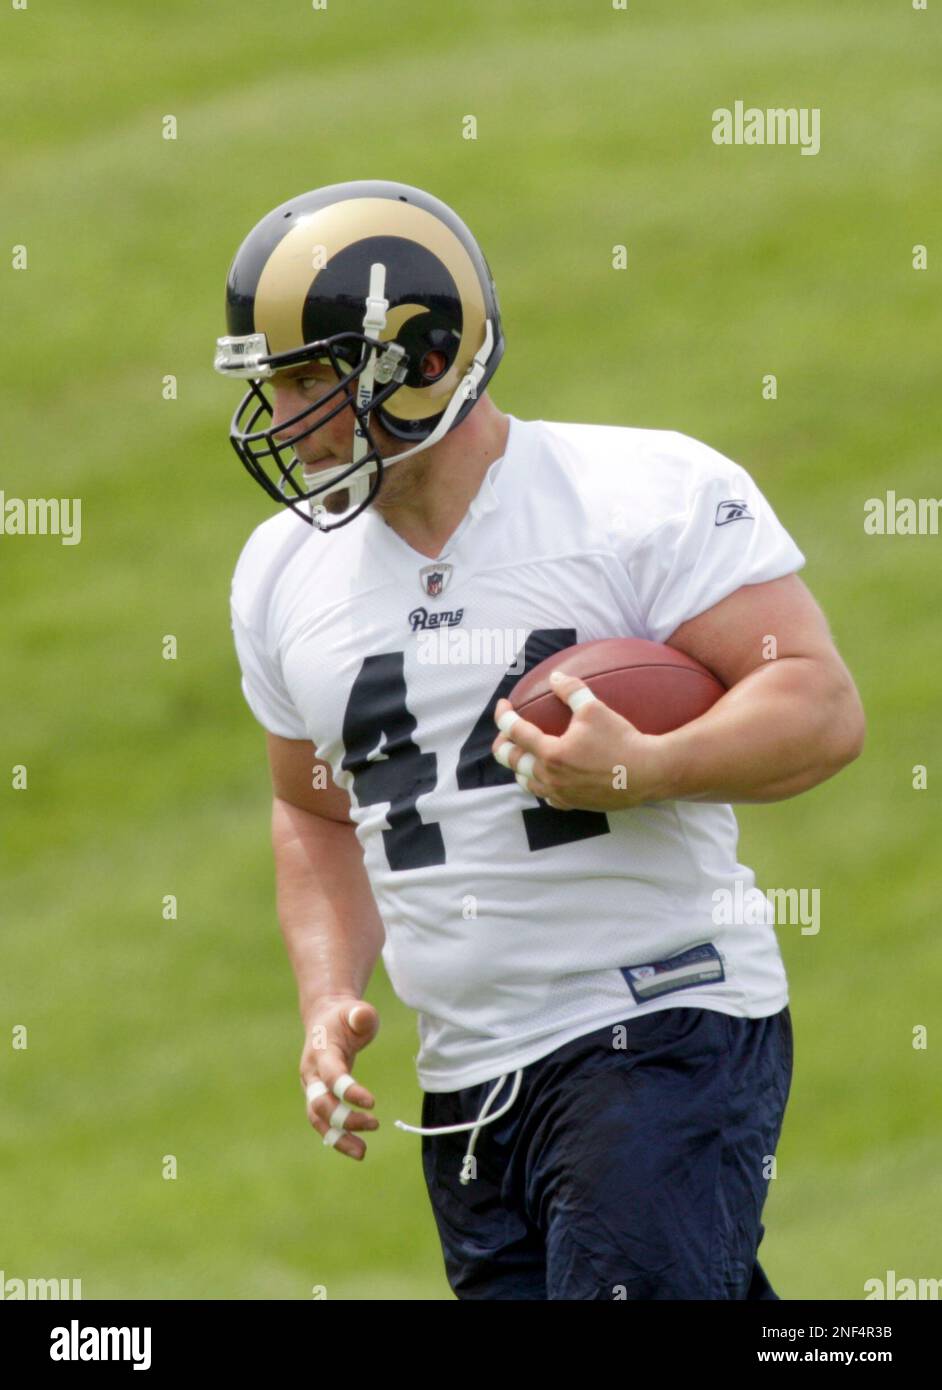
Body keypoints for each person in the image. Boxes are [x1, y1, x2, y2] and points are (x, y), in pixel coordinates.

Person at [214, 179, 865, 1300]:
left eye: (313, 378)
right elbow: (314, 805)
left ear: (420, 359)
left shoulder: (639, 496)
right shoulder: (279, 572)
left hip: (659, 1018)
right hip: (466, 1080)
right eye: (275, 384)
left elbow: (816, 705)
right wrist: (329, 994)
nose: (284, 418)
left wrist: (647, 766)